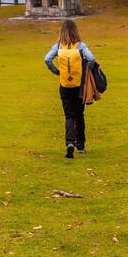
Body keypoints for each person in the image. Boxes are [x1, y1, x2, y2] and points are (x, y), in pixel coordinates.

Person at [43, 18, 96, 158]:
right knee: (79, 115)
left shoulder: (58, 46)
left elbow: (47, 59)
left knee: (69, 115)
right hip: (79, 86)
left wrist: (56, 71)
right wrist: (85, 72)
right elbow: (91, 58)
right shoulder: (80, 46)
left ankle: (69, 142)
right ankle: (81, 145)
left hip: (65, 85)